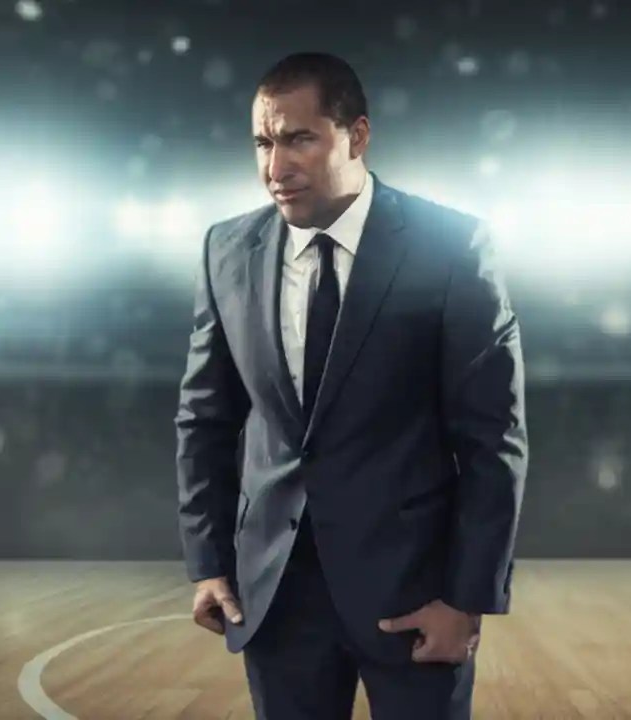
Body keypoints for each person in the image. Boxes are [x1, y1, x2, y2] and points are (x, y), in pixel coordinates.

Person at [174, 50, 528, 719]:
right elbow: (204, 419)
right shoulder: (225, 249)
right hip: (274, 602)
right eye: (263, 141)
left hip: (415, 600)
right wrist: (209, 562)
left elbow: (493, 438)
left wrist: (466, 598)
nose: (275, 169)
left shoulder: (451, 247)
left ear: (356, 136)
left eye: (300, 139)